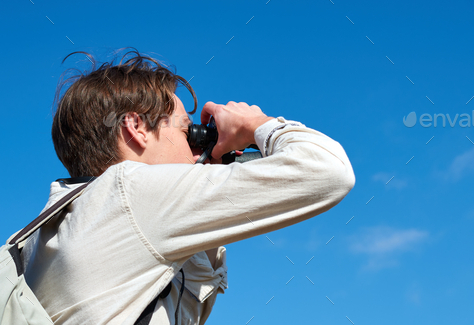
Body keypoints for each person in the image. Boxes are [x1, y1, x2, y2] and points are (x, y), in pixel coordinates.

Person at [18, 48, 355, 325]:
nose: (197, 145)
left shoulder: (58, 223)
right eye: (187, 131)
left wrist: (209, 165)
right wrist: (257, 125)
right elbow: (329, 170)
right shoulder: (132, 193)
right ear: (136, 127)